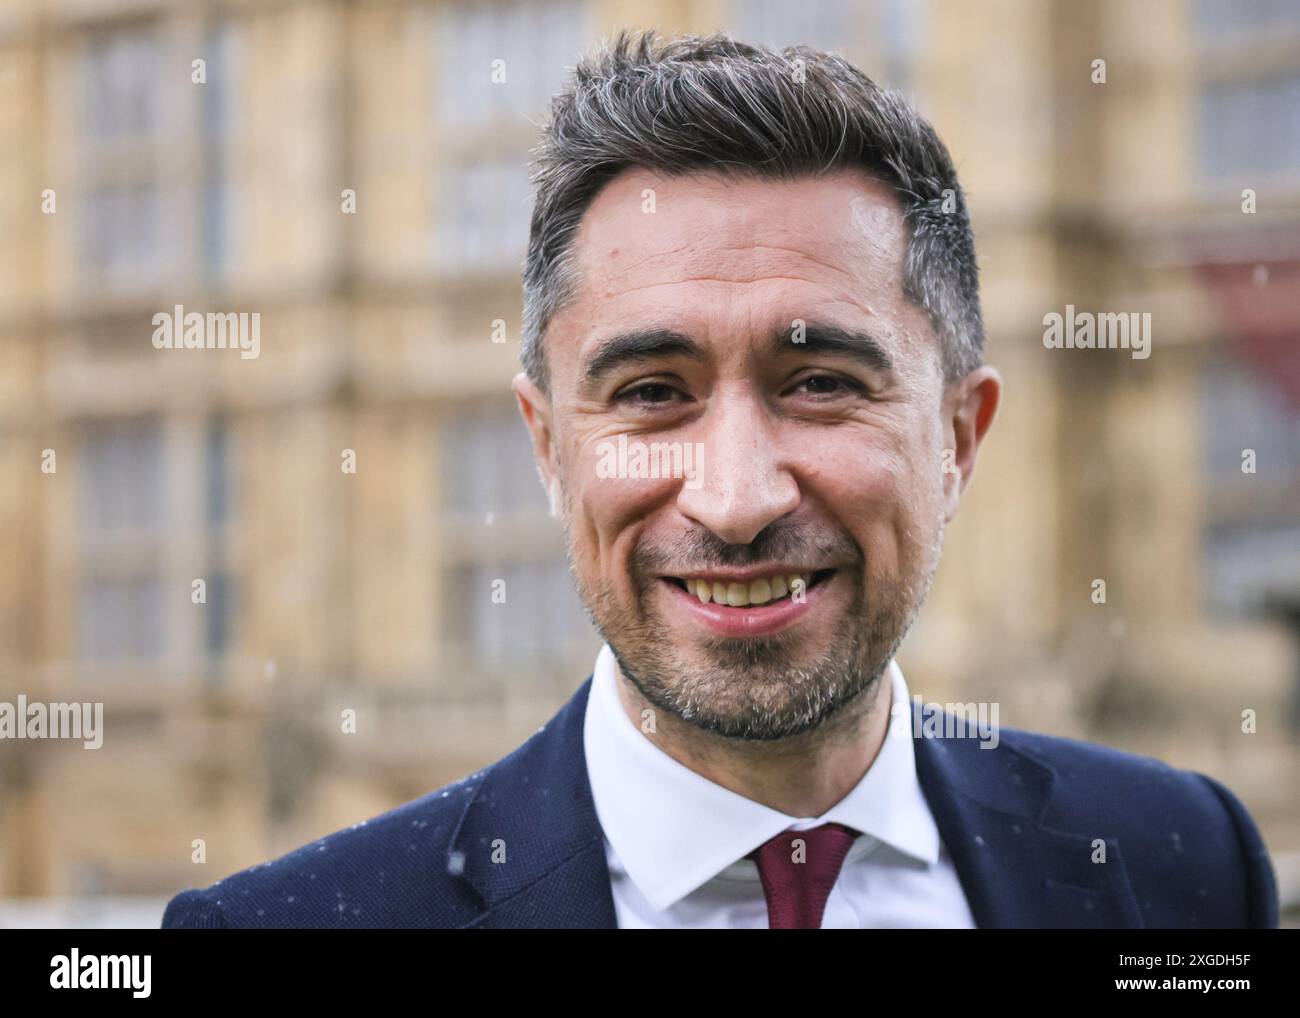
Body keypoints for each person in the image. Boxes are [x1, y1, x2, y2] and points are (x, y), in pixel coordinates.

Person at [163, 29, 1278, 929]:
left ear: (958, 435)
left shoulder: (1181, 865)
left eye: (820, 382)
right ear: (550, 447)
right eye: (652, 391)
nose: (736, 499)